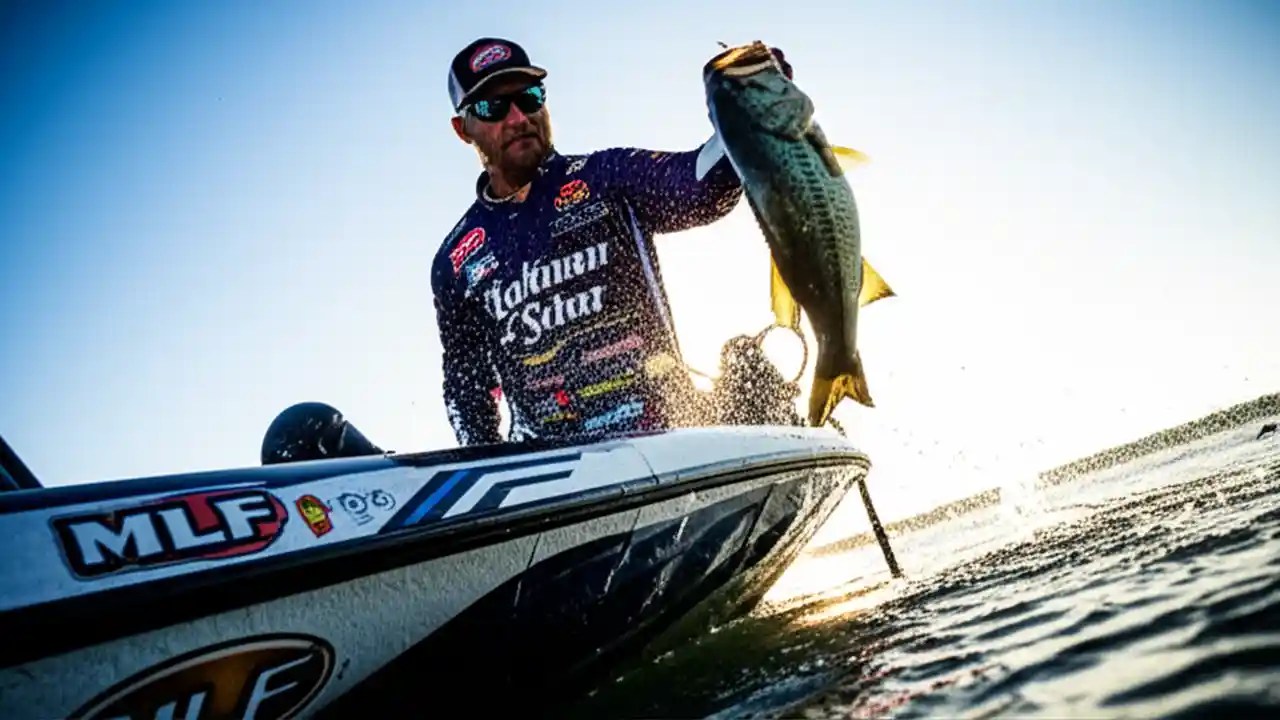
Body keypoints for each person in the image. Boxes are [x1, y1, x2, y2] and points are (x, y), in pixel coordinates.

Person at [431, 37, 801, 447]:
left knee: (748, 373)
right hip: (543, 468)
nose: (519, 117)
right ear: (463, 128)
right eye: (493, 107)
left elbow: (700, 188)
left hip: (664, 440)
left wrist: (748, 111)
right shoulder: (454, 260)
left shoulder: (605, 176)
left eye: (530, 96)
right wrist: (486, 475)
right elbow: (467, 389)